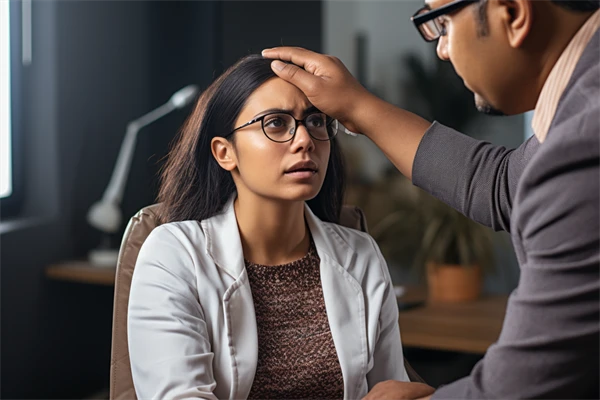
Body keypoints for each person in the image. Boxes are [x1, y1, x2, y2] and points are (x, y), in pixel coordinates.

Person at [261, 0, 600, 399]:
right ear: (221, 151)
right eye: (274, 124)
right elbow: (505, 182)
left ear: (511, 13)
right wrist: (358, 107)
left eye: (441, 23)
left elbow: (523, 388)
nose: (441, 49)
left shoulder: (584, 139)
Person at [127, 55, 414, 400]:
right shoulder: (173, 255)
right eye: (276, 123)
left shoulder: (360, 254)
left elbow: (393, 392)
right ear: (224, 152)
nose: (305, 139)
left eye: (316, 121)